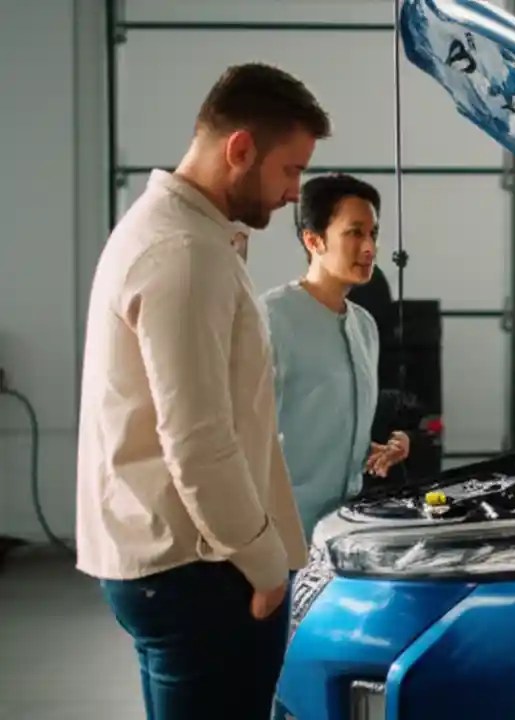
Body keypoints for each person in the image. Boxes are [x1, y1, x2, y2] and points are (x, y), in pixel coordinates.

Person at [75, 63, 330, 719]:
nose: (294, 192)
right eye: (289, 169)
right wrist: (266, 563)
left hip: (178, 558)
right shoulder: (184, 255)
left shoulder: (174, 233)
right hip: (200, 563)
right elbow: (197, 438)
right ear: (240, 148)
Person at [261, 174, 410, 541]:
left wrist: (374, 450)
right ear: (313, 240)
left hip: (345, 534)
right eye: (354, 233)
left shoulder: (364, 326)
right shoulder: (269, 318)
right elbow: (247, 438)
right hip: (283, 537)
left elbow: (321, 425)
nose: (369, 248)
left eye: (373, 234)